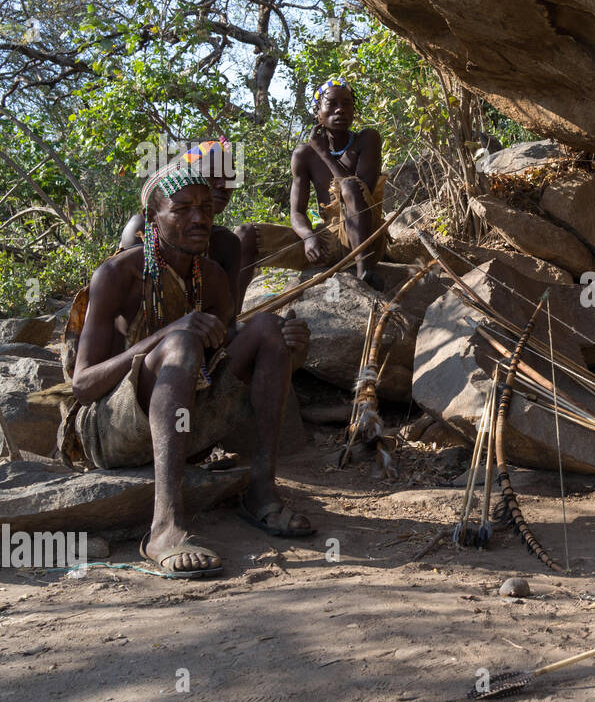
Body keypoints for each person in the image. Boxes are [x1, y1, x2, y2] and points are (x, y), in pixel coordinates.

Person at [70, 159, 314, 578]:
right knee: (181, 342)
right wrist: (167, 335)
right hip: (111, 429)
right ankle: (164, 526)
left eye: (205, 207)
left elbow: (228, 354)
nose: (199, 218)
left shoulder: (214, 277)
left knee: (270, 329)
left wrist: (293, 349)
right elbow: (82, 385)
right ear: (152, 218)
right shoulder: (116, 275)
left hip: (185, 422)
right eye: (182, 209)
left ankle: (260, 491)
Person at [235, 77, 387, 294]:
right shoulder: (304, 154)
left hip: (365, 239)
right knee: (245, 234)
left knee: (350, 186)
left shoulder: (367, 139)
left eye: (346, 104)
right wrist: (309, 238)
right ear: (317, 111)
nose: (340, 110)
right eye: (332, 104)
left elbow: (360, 194)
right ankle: (231, 320)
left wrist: (324, 154)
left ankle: (363, 274)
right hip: (328, 242)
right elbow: (297, 212)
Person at [119, 141, 248, 313]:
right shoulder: (142, 229)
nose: (223, 185)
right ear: (186, 176)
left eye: (230, 178)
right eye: (213, 174)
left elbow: (228, 320)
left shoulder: (226, 244)